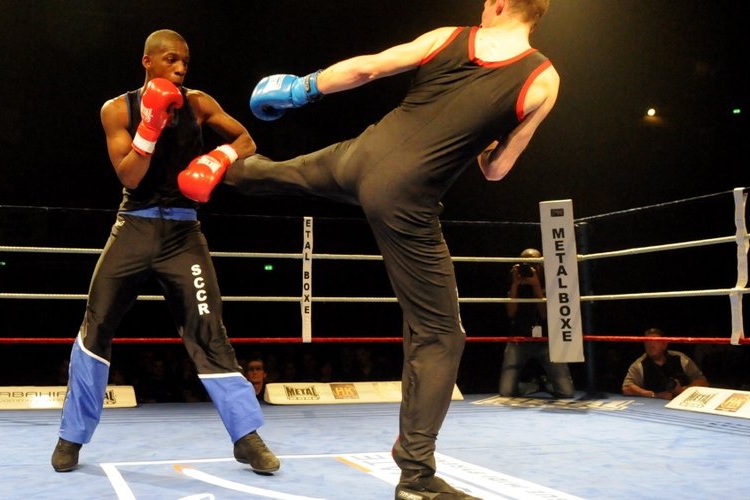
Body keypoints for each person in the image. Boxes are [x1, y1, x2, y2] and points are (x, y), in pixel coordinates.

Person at [197, 1, 558, 498]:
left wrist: (302, 88)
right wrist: (478, 133)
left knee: (286, 173)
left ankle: (213, 165)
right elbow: (496, 170)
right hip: (406, 197)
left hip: (360, 156)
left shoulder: (449, 36)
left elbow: (367, 68)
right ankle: (416, 474)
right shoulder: (543, 79)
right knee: (440, 335)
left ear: (498, 4)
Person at [50, 29, 279, 475]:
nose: (180, 68)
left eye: (185, 62)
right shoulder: (118, 109)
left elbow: (246, 140)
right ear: (148, 62)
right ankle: (71, 436)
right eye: (171, 59)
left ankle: (246, 437)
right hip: (133, 227)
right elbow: (130, 177)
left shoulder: (199, 103)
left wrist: (217, 159)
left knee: (209, 331)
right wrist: (150, 126)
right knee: (96, 325)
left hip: (183, 233)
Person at [499, 248, 575, 398]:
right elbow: (511, 313)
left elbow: (544, 314)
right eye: (526, 264)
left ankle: (548, 383)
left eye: (534, 263)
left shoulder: (552, 282)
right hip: (519, 341)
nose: (530, 267)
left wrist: (536, 286)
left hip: (547, 342)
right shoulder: (513, 280)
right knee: (506, 391)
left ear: (541, 265)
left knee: (566, 392)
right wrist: (515, 284)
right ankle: (532, 385)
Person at [622, 327, 709, 400]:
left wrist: (683, 391)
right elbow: (626, 388)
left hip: (684, 402)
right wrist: (654, 395)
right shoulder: (639, 365)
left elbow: (702, 381)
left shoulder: (680, 358)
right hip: (654, 407)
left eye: (655, 341)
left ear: (664, 344)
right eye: (647, 341)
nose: (651, 345)